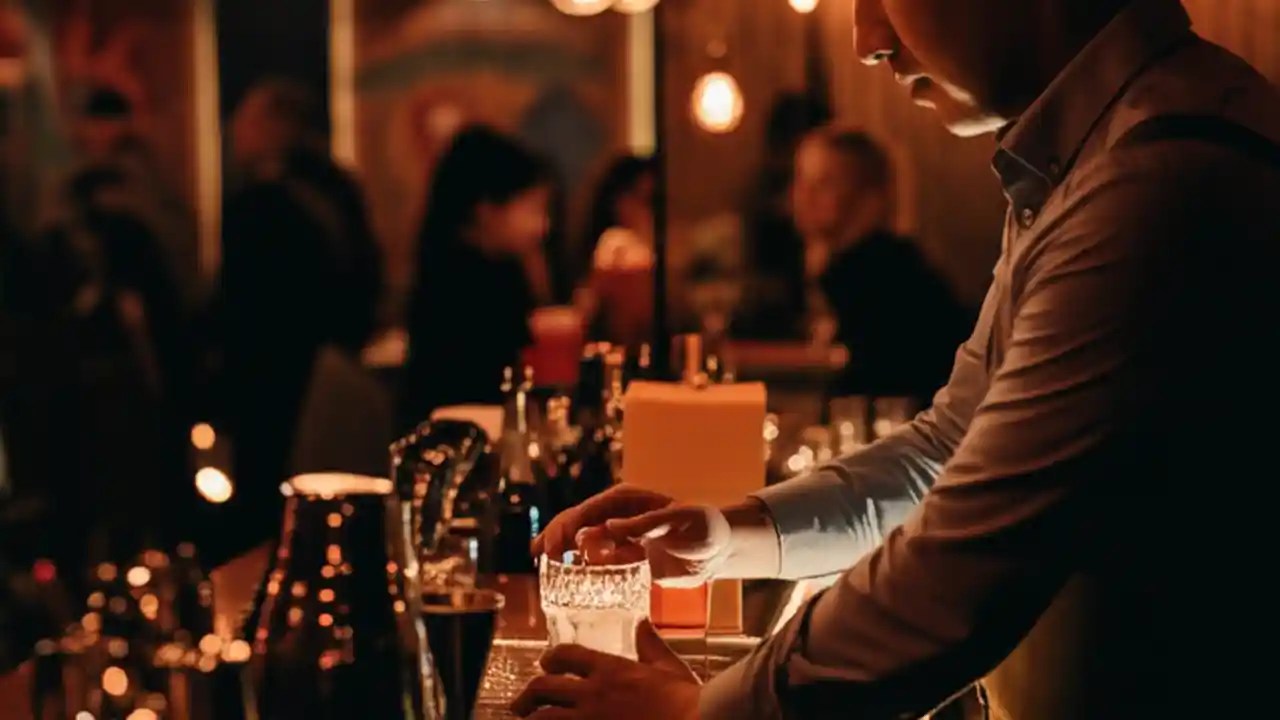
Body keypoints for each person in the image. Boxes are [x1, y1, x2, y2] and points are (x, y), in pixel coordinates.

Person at [517, 0, 1280, 718]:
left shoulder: (1163, 177)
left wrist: (701, 710)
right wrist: (729, 536)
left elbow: (959, 579)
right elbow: (949, 450)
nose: (867, 36)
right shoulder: (1098, 158)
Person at [215, 79, 383, 562]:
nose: (235, 131)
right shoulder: (336, 191)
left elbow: (241, 310)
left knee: (267, 519)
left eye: (246, 120)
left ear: (276, 127)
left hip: (269, 381)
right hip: (330, 377)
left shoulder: (262, 204)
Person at [790, 127, 968, 403]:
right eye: (801, 179)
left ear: (870, 198)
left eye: (825, 183)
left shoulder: (892, 282)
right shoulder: (831, 275)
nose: (804, 196)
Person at [400, 126, 555, 427]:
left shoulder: (469, 267)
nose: (543, 226)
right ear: (486, 211)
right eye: (533, 208)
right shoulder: (473, 288)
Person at [575, 155, 657, 347]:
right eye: (641, 200)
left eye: (653, 202)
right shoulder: (612, 247)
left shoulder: (669, 256)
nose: (646, 212)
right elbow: (583, 316)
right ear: (616, 201)